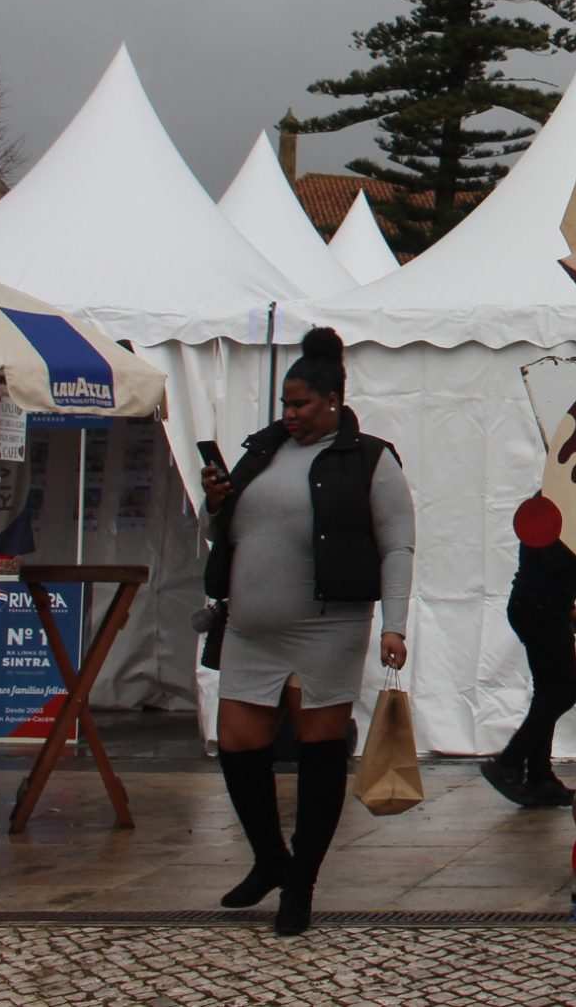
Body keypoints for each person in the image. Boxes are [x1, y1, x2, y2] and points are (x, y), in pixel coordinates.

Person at [200, 328, 413, 937]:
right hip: (251, 627)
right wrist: (216, 502)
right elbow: (224, 533)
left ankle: (302, 883)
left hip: (327, 626)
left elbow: (397, 544)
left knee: (318, 747)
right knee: (238, 742)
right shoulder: (262, 451)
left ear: (333, 400)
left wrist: (395, 624)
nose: (289, 415)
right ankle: (271, 858)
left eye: (301, 405)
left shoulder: (370, 458)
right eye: (285, 405)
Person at [485, 536, 576, 807]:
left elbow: (545, 565)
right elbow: (556, 560)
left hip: (541, 605)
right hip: (541, 608)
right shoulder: (553, 513)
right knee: (565, 689)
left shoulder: (556, 511)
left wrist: (569, 608)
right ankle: (509, 761)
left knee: (549, 691)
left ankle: (540, 778)